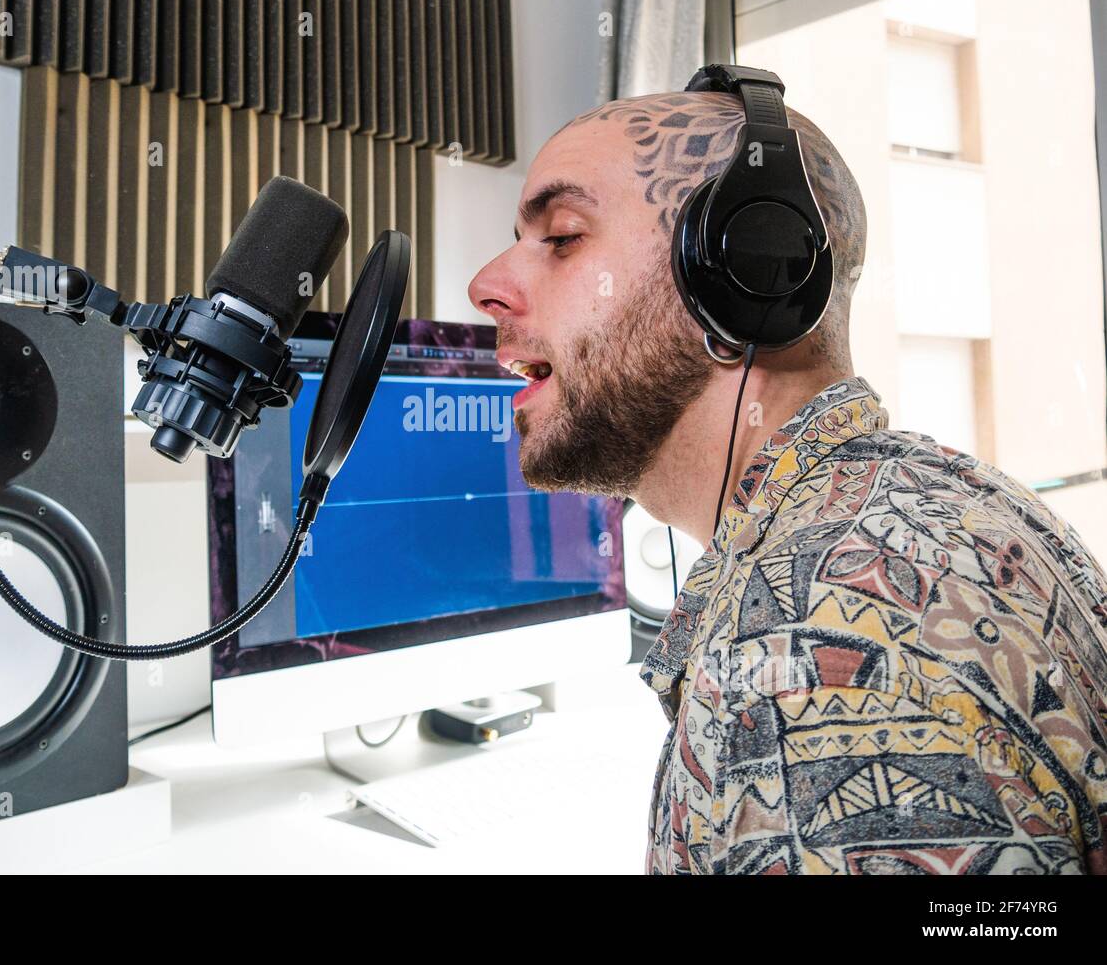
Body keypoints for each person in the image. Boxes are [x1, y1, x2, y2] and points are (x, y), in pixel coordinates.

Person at [466, 65, 1107, 875]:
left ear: (740, 278)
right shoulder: (951, 497)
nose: (486, 285)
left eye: (561, 237)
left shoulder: (806, 656)